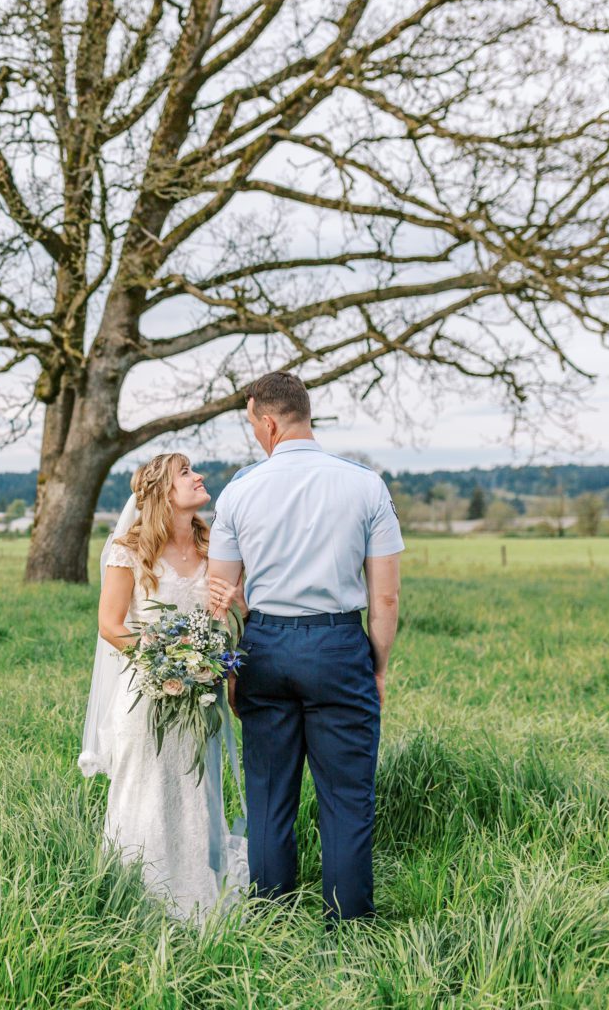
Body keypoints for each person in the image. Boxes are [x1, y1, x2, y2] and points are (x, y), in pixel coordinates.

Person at [206, 372, 403, 921]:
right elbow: (383, 599)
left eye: (252, 426)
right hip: (340, 645)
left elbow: (218, 596)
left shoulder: (240, 490)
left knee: (269, 796)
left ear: (267, 421)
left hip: (264, 645)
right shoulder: (366, 486)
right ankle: (349, 923)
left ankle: (272, 917)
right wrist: (377, 667)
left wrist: (232, 668)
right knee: (347, 799)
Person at [83, 453, 248, 919]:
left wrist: (227, 609)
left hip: (202, 697)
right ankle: (133, 899)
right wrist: (164, 661)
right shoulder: (128, 550)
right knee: (146, 794)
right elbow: (110, 625)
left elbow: (228, 621)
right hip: (147, 697)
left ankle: (198, 902)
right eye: (186, 473)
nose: (199, 477)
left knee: (198, 791)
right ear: (161, 492)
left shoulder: (215, 546)